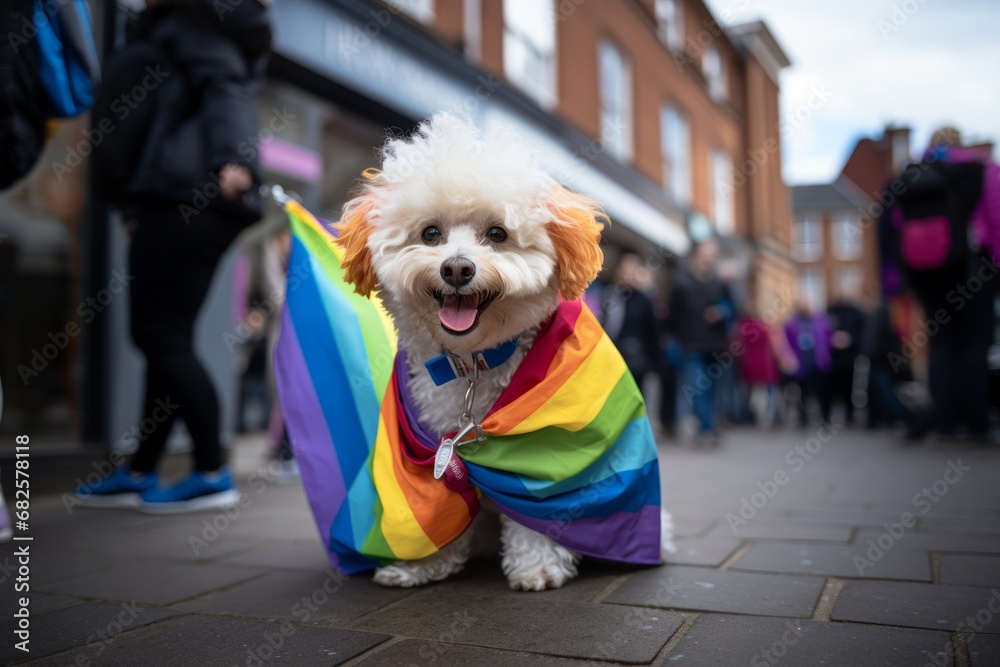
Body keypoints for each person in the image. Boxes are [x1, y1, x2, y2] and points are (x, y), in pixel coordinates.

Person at [76, 0, 272, 511]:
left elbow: (226, 85)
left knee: (157, 334)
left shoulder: (193, 21)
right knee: (166, 339)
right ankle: (142, 470)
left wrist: (235, 158)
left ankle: (210, 470)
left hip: (184, 195)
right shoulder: (183, 24)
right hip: (176, 194)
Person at [890, 127, 999, 441]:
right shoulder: (982, 168)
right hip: (973, 267)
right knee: (975, 344)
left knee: (942, 344)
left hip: (928, 273)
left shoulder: (912, 175)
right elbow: (995, 218)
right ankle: (976, 423)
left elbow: (899, 228)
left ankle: (946, 425)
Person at [667, 239, 733, 443]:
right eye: (709, 252)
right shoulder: (681, 283)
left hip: (715, 345)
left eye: (714, 254)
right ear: (697, 254)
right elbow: (672, 315)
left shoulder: (718, 283)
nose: (712, 257)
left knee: (713, 390)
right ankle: (707, 428)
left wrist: (722, 312)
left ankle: (708, 425)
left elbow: (732, 309)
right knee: (697, 387)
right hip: (691, 345)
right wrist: (670, 339)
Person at [600, 253, 661, 392]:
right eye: (624, 270)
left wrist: (654, 362)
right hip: (612, 355)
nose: (627, 275)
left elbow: (652, 332)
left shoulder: (644, 301)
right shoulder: (610, 294)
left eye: (631, 271)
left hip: (637, 361)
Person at [785, 299, 834, 427]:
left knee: (823, 392)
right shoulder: (792, 324)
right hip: (802, 365)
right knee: (803, 394)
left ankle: (825, 418)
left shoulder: (822, 322)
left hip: (819, 363)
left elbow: (829, 340)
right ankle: (804, 418)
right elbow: (787, 344)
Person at [826, 290, 867, 425]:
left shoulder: (855, 312)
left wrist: (850, 339)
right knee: (835, 388)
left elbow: (862, 331)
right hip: (834, 357)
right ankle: (833, 415)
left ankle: (850, 414)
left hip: (850, 356)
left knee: (850, 386)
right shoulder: (829, 312)